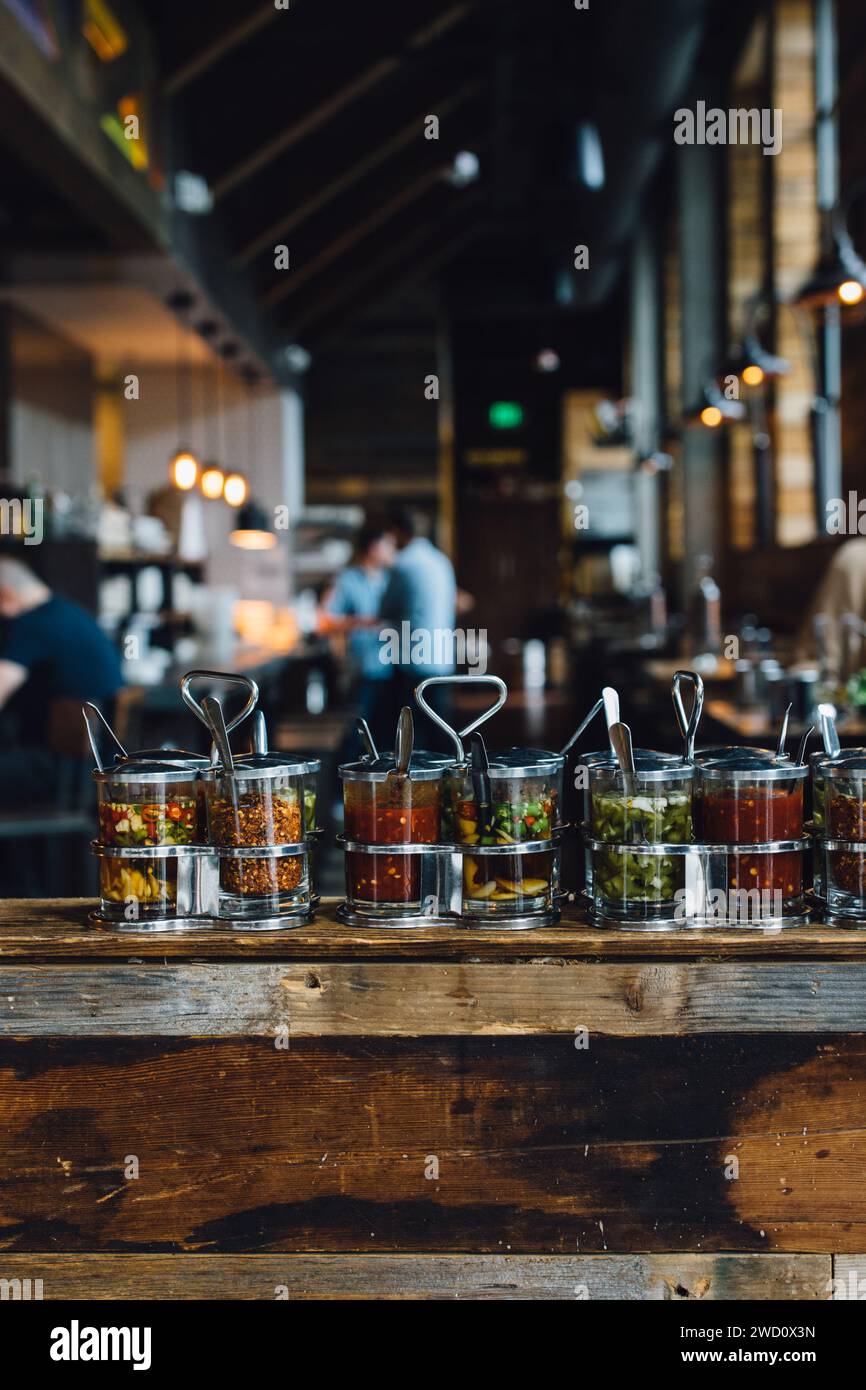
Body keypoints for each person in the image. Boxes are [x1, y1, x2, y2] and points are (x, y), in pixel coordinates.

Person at [0, 557, 123, 806]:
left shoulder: (34, 624)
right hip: (96, 763)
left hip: (66, 771)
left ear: (5, 595)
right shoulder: (67, 612)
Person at [379, 508, 458, 751]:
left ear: (399, 532)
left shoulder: (403, 564)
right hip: (442, 658)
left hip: (413, 661)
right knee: (441, 730)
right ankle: (450, 784)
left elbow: (385, 608)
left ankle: (415, 786)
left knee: (411, 735)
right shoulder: (441, 560)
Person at [319, 524, 397, 753]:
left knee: (388, 737)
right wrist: (361, 622)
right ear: (373, 547)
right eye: (389, 544)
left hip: (396, 668)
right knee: (357, 733)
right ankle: (340, 785)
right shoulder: (347, 579)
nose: (394, 549)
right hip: (364, 668)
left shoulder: (393, 578)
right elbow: (323, 621)